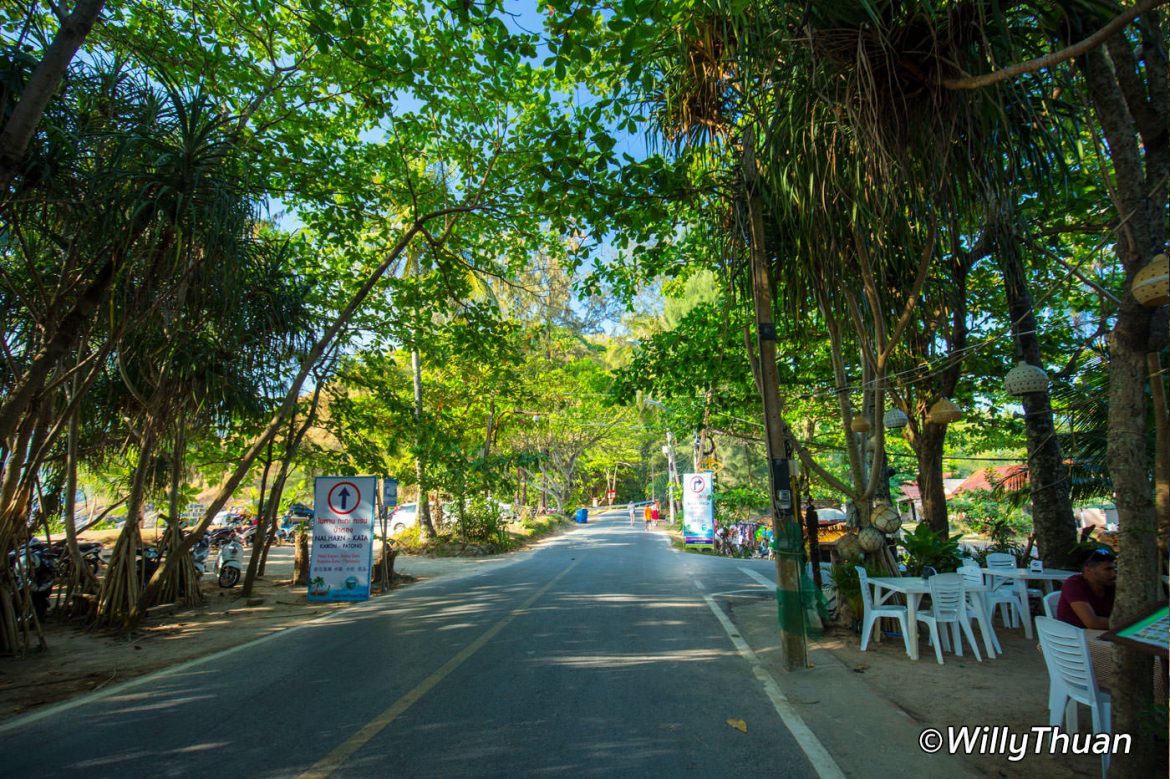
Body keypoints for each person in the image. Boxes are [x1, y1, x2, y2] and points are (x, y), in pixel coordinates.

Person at [1056, 547, 1116, 630]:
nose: (1113, 574)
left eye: (1114, 569)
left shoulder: (1111, 585)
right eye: (1108, 569)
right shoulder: (1074, 584)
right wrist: (1129, 625)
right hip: (1074, 638)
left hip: (1101, 634)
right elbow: (1093, 623)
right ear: (1088, 570)